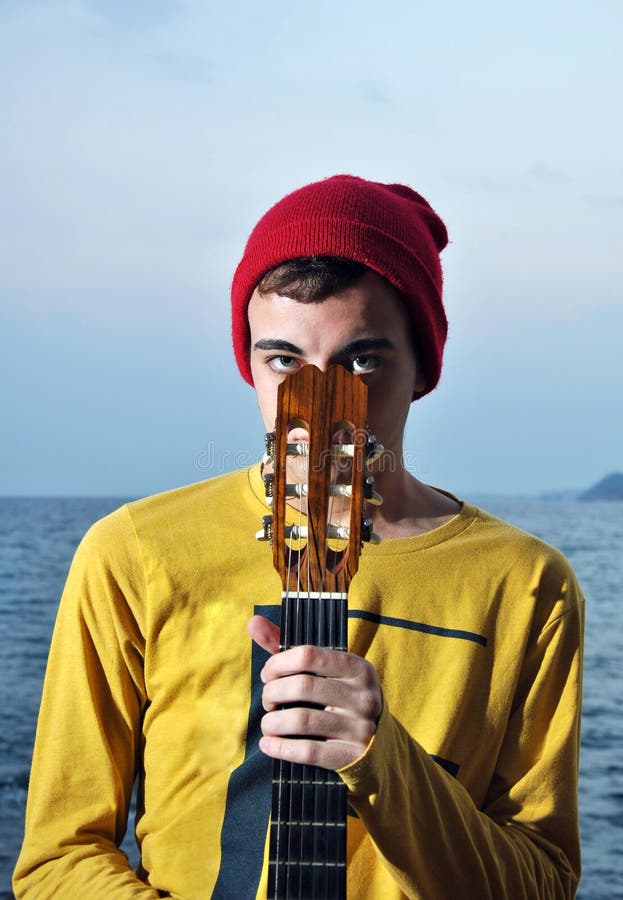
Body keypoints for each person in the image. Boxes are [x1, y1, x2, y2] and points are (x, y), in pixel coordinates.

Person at [14, 175, 584, 898]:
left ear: (422, 370)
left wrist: (384, 761)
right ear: (248, 363)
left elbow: (543, 883)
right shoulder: (133, 551)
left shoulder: (525, 583)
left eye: (362, 360)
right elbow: (58, 858)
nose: (317, 405)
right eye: (283, 360)